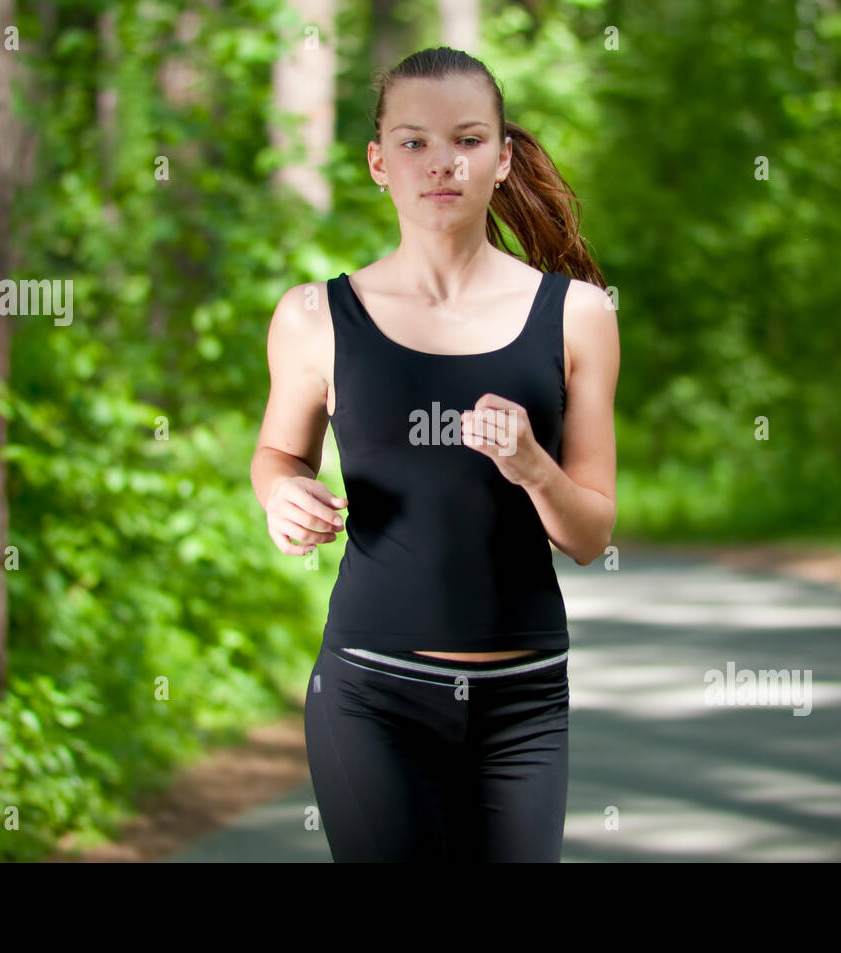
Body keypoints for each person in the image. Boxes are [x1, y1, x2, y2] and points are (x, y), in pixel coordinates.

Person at [250, 46, 618, 862]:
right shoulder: (315, 315)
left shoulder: (578, 315)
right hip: (370, 692)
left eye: (468, 139)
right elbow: (279, 453)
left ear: (502, 157)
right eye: (413, 142)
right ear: (379, 163)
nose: (441, 162)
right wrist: (281, 495)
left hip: (523, 702)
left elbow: (592, 535)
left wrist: (532, 465)